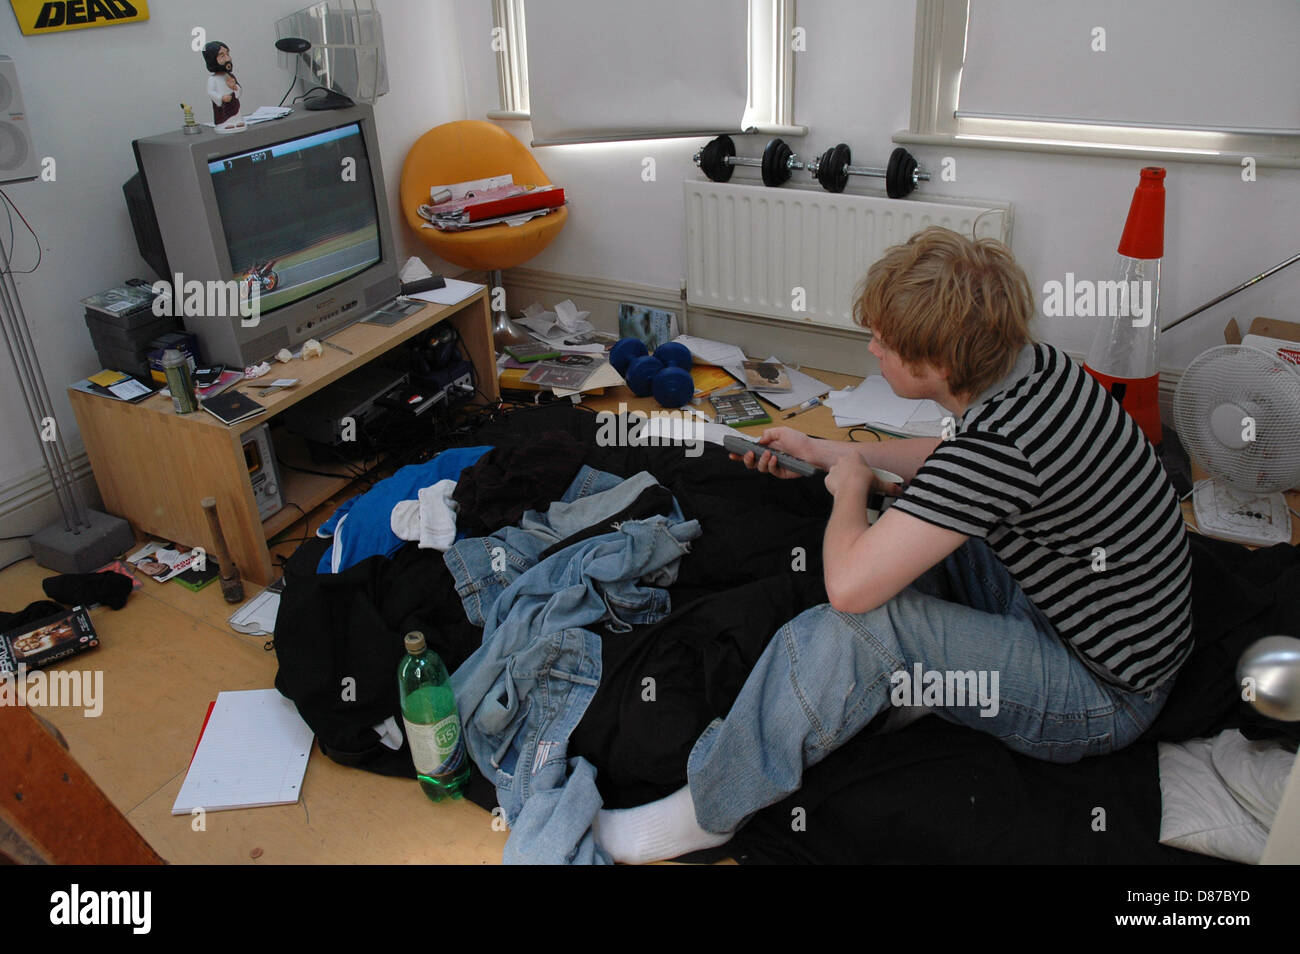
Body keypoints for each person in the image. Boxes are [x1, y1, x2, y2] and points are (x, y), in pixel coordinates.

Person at [594, 226, 1193, 864]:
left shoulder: (1002, 447)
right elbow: (954, 461)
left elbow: (847, 590)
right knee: (908, 512)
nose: (874, 346)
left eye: (885, 341)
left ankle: (708, 809)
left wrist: (850, 485)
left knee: (855, 625)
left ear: (936, 364)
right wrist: (834, 452)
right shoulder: (1036, 369)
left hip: (1102, 693)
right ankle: (906, 684)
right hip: (1090, 614)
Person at [202, 41, 241, 125]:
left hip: (233, 103)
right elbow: (211, 92)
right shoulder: (213, 79)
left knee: (236, 113)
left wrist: (234, 87)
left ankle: (236, 121)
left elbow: (238, 91)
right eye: (222, 56)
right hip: (222, 107)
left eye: (228, 54)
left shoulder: (230, 76)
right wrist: (221, 97)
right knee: (224, 116)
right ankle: (225, 123)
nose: (227, 59)